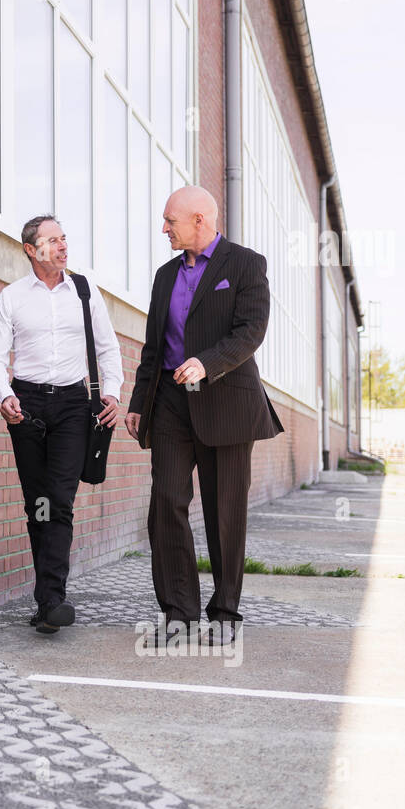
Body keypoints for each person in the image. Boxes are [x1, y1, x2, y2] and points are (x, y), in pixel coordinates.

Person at [125, 186, 284, 646]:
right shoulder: (163, 276)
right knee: (167, 503)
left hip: (226, 401)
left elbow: (250, 331)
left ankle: (225, 611)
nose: (163, 229)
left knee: (224, 511)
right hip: (172, 403)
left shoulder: (246, 264)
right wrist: (139, 402)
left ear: (199, 220)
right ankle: (179, 611)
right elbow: (154, 347)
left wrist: (208, 363)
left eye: (169, 221)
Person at [0, 215, 123, 634]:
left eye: (65, 238)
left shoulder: (84, 291)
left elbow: (107, 347)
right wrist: (4, 395)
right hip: (26, 406)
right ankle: (46, 601)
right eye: (53, 240)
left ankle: (52, 598)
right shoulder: (11, 297)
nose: (63, 246)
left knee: (58, 501)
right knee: (37, 503)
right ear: (31, 249)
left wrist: (111, 392)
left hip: (72, 406)